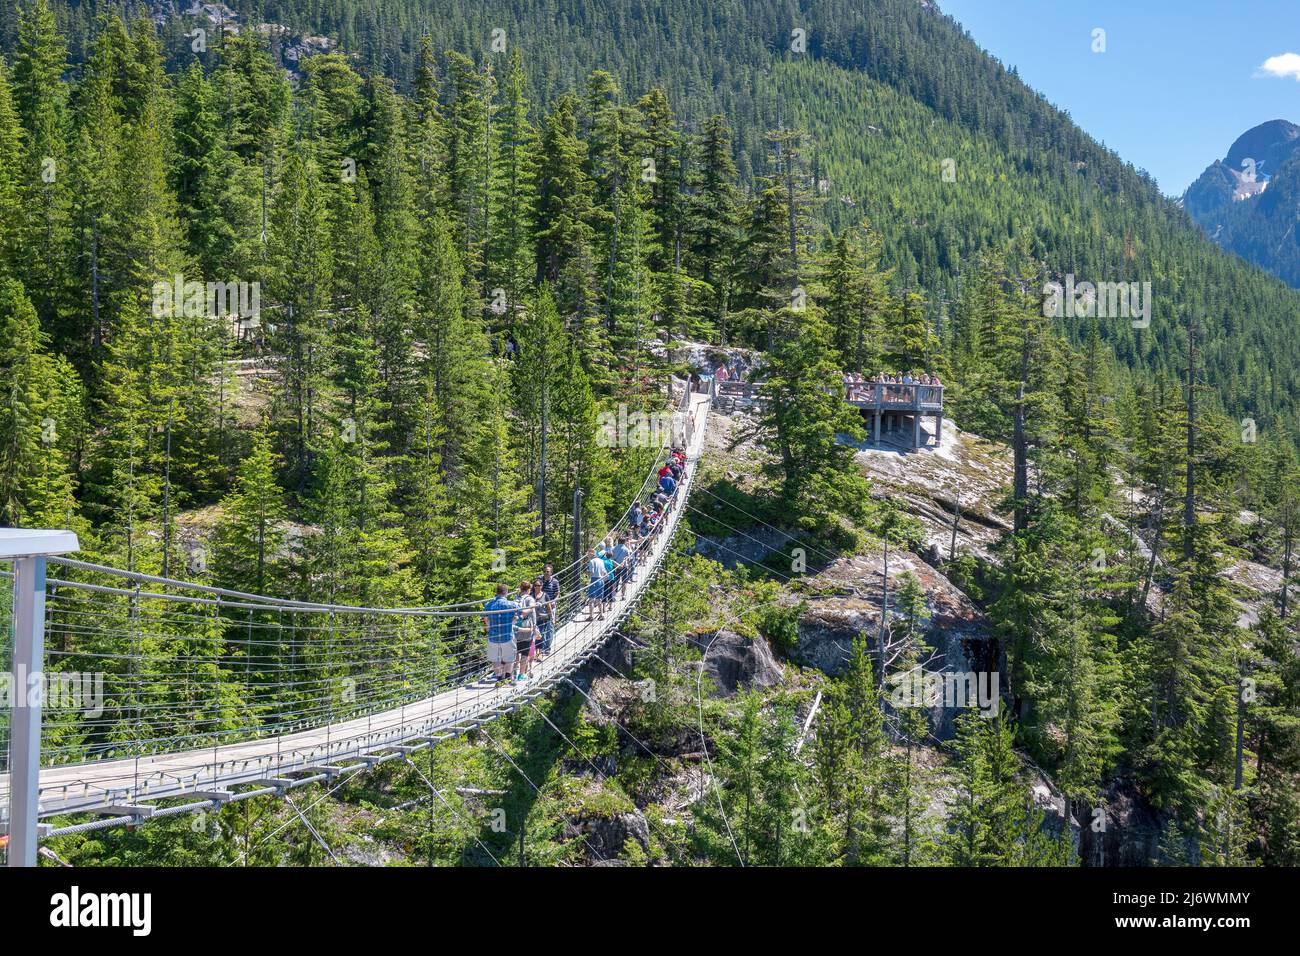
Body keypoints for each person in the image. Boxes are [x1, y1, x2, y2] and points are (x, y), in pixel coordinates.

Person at [482, 584, 519, 685]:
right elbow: (517, 617)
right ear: (506, 592)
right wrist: (511, 623)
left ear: (497, 592)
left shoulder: (488, 605)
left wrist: (490, 626)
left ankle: (499, 679)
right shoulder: (512, 604)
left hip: (493, 636)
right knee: (510, 657)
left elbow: (485, 619)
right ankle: (507, 678)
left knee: (496, 658)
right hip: (507, 635)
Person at [514, 579, 539, 682]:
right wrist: (534, 626)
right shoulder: (530, 599)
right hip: (526, 627)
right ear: (529, 589)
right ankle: (521, 674)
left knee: (516, 651)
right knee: (525, 652)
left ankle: (514, 672)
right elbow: (532, 613)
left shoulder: (516, 599)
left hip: (515, 627)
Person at [539, 566, 559, 655]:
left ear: (551, 572)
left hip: (551, 606)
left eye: (548, 571)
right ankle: (541, 648)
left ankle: (547, 648)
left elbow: (558, 593)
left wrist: (554, 601)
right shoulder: (539, 580)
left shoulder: (555, 581)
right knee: (541, 628)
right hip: (541, 607)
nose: (546, 573)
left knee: (550, 627)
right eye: (545, 571)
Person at [586, 549, 608, 621]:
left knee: (591, 599)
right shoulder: (601, 561)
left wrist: (587, 572)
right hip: (601, 580)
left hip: (594, 580)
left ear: (591, 554)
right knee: (599, 599)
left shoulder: (591, 561)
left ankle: (591, 616)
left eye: (588, 555)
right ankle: (601, 615)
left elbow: (591, 573)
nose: (587, 556)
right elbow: (605, 573)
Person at [613, 535, 632, 599]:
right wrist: (629, 567)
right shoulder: (626, 549)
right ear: (624, 542)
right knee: (624, 581)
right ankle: (623, 595)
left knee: (616, 581)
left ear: (618, 541)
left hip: (616, 567)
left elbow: (612, 559)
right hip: (624, 567)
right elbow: (629, 559)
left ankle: (614, 595)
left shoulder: (614, 548)